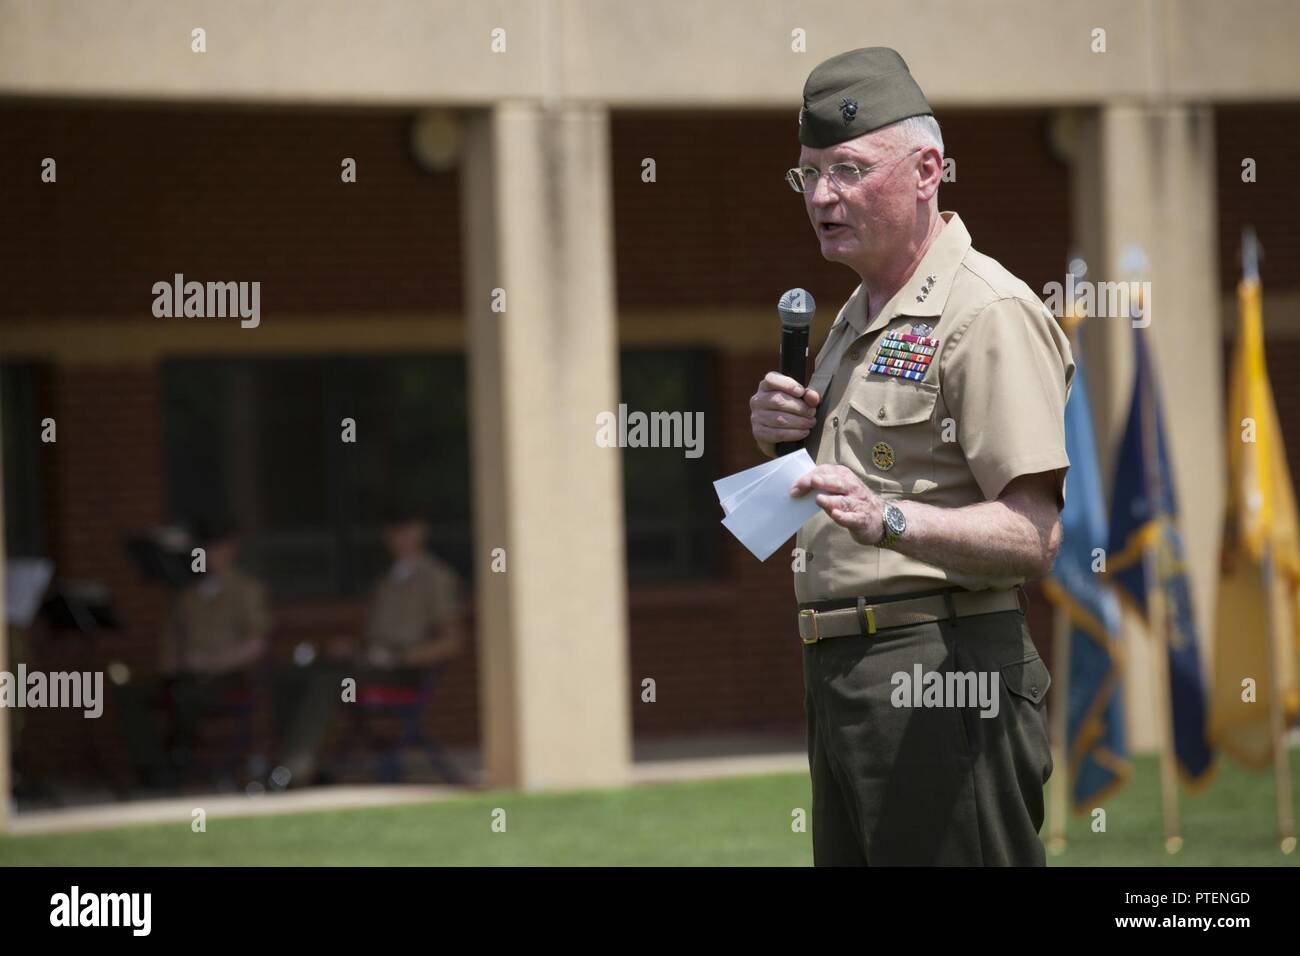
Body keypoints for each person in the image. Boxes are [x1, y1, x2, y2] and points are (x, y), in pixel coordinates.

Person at [749, 47, 1074, 865]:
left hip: (941, 669)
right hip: (843, 670)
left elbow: (1035, 535)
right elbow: (863, 473)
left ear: (927, 169)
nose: (823, 197)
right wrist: (782, 439)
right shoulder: (860, 315)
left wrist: (887, 517)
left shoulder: (985, 312)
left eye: (849, 171)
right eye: (809, 175)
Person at [270, 508, 464, 787]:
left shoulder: (436, 579)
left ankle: (293, 771)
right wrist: (353, 648)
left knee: (330, 682)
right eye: (394, 532)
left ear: (421, 531)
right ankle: (300, 764)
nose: (401, 538)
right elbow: (374, 637)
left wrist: (399, 656)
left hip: (404, 672)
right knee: (292, 674)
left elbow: (451, 642)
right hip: (368, 663)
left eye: (407, 530)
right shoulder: (386, 582)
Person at [118, 516, 270, 788]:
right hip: (186, 676)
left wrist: (211, 662)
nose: (209, 554)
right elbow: (172, 641)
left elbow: (256, 645)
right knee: (129, 693)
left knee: (185, 697)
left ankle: (180, 758)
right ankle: (154, 768)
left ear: (230, 549)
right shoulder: (186, 592)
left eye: (215, 547)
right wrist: (170, 665)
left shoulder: (246, 589)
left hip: (227, 677)